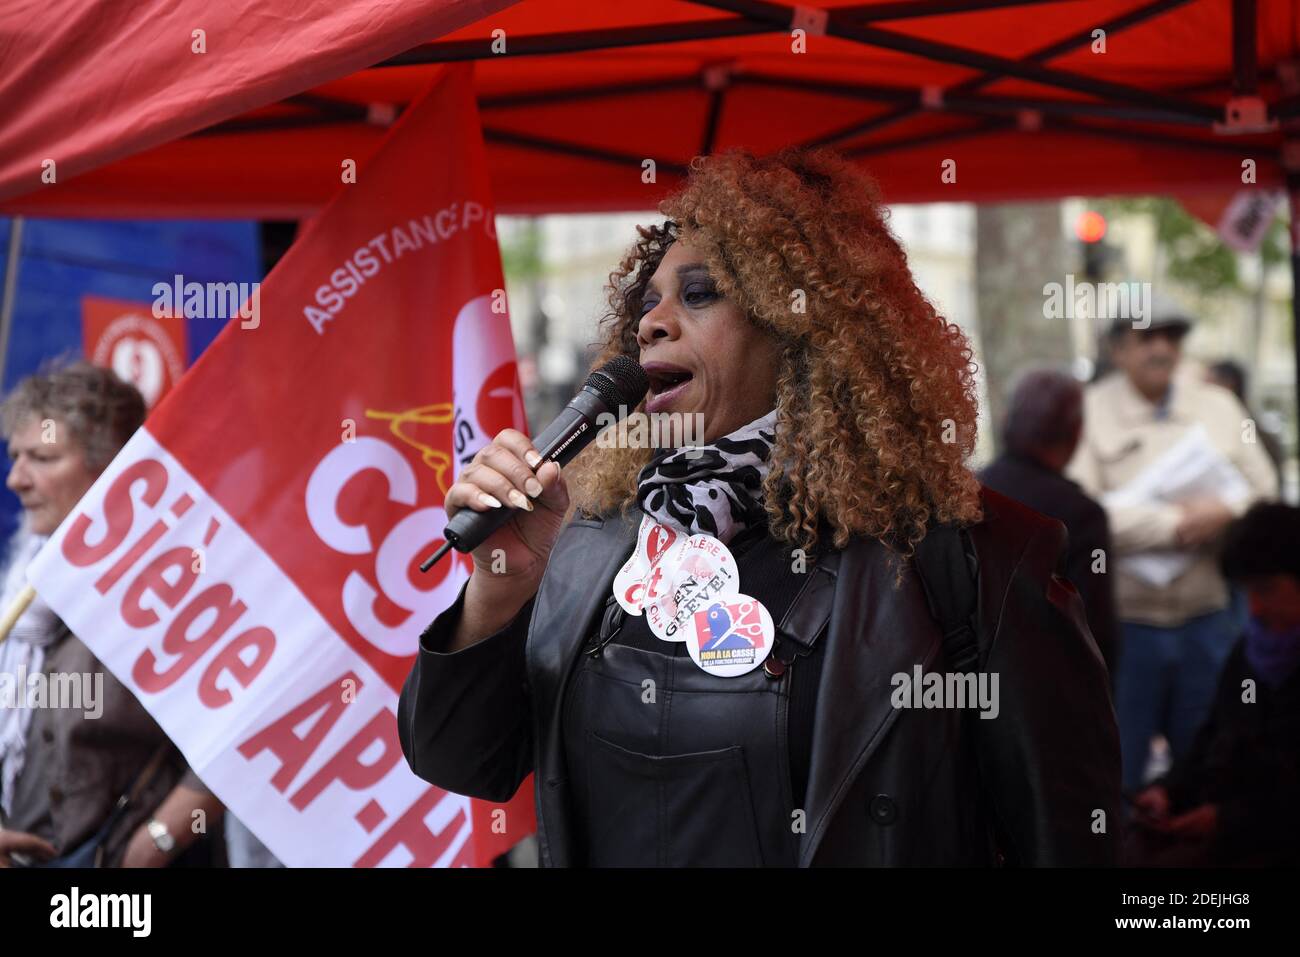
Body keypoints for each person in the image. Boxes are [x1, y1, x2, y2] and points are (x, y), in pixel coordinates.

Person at [399, 147, 1120, 867]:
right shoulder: (595, 533)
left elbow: (1066, 837)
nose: (653, 323)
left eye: (701, 292)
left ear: (801, 324)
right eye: (646, 303)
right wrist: (500, 590)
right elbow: (462, 762)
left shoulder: (976, 559)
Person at [0, 361, 224, 867]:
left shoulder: (173, 583)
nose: (16, 478)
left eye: (42, 457)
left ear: (111, 469)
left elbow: (243, 722)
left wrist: (159, 842)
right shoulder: (19, 579)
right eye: (15, 456)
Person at [1067, 308, 1277, 795]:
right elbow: (1086, 518)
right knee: (1116, 774)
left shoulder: (1219, 406)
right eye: (1145, 337)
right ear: (1118, 349)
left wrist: (1225, 511)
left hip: (1209, 622)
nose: (1160, 348)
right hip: (1126, 627)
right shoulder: (1088, 409)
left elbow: (1264, 493)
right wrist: (1179, 525)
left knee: (1209, 774)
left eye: (1171, 336)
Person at [1126, 502, 1300, 866]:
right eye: (1246, 592)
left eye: (1266, 590)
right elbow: (1217, 732)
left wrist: (1228, 819)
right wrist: (1170, 792)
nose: (1253, 609)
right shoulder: (1252, 648)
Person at [979, 367, 1119, 673]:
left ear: (1006, 421)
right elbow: (1095, 632)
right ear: (1077, 432)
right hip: (1052, 692)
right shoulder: (1082, 514)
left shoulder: (968, 493)